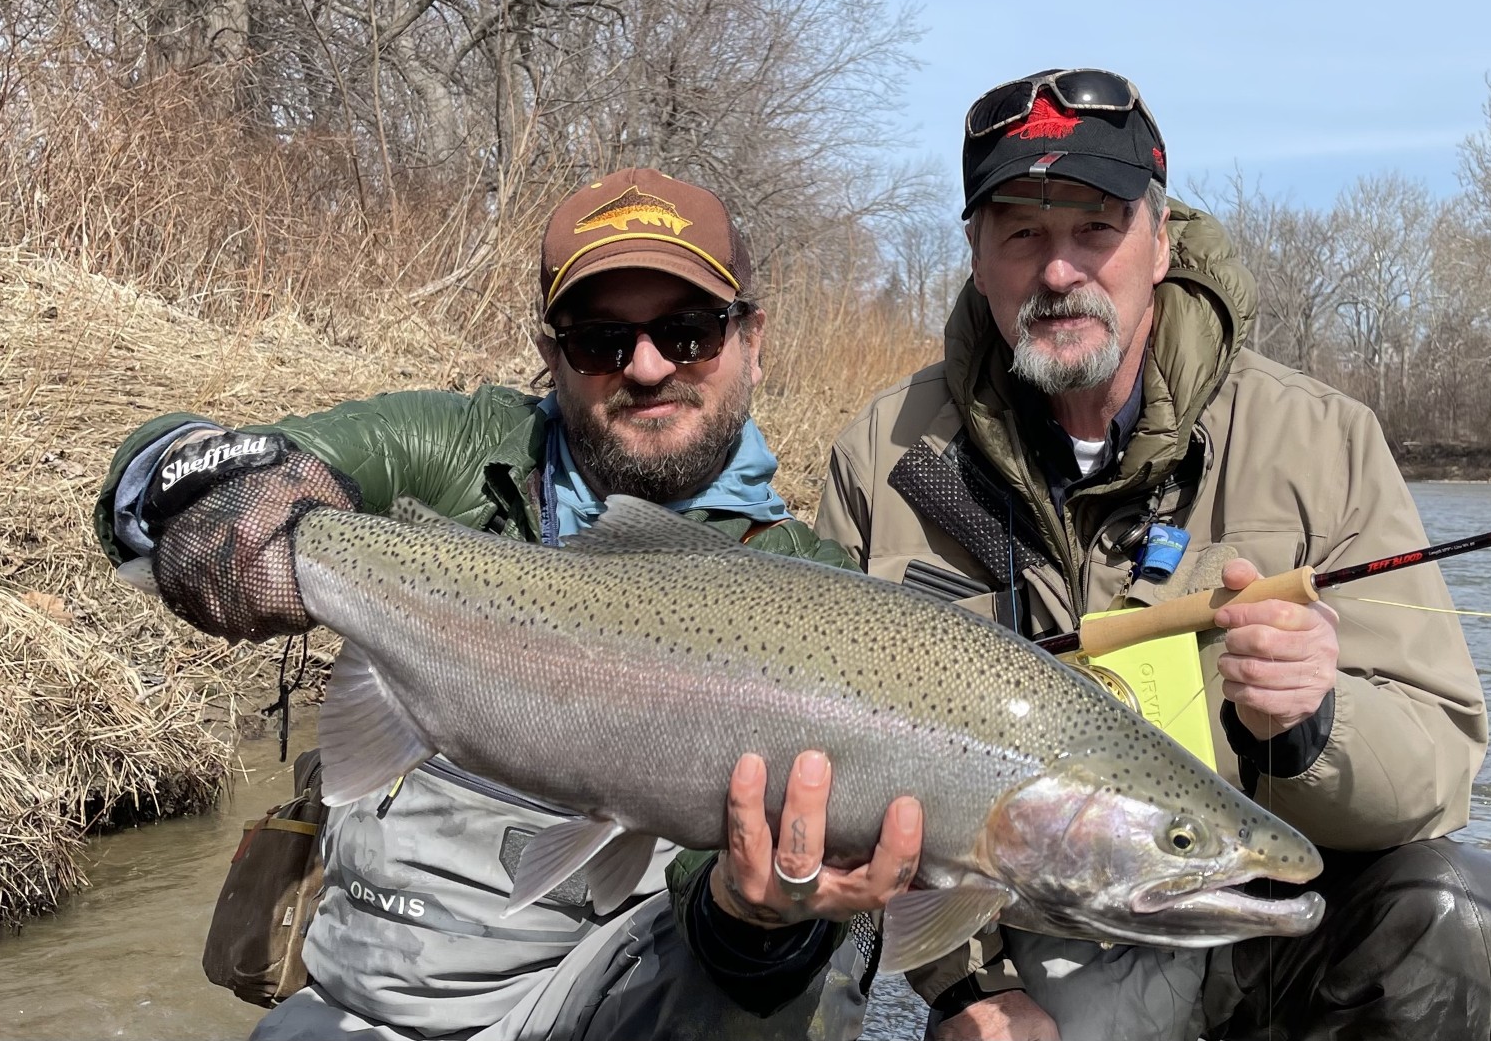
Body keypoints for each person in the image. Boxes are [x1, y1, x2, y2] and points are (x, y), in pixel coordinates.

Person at [809, 69, 1491, 1039]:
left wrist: (1310, 727)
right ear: (977, 256)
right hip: (1021, 931)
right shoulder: (885, 456)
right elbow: (824, 766)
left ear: (1161, 242)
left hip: (1255, 929)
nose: (1059, 270)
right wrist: (966, 990)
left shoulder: (1321, 442)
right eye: (1022, 233)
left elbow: (1439, 767)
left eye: (1094, 228)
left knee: (1466, 917)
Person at [92, 168, 922, 1041]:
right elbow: (158, 469)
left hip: (608, 1003)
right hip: (357, 1004)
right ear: (553, 353)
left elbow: (746, 959)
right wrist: (215, 490)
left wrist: (753, 923)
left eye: (687, 333)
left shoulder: (814, 596)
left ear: (753, 338)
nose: (645, 368)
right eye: (602, 340)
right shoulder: (462, 452)